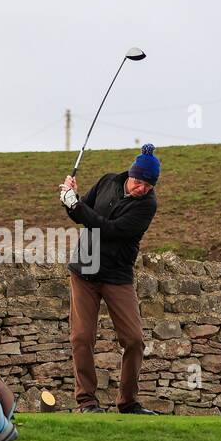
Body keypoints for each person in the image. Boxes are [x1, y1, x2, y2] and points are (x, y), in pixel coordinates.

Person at [58, 143, 160, 414]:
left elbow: (109, 229)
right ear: (131, 175)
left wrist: (76, 205)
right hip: (84, 271)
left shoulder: (147, 206)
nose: (142, 189)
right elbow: (79, 214)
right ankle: (87, 401)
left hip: (117, 276)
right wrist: (70, 197)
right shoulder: (107, 181)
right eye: (139, 183)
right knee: (81, 337)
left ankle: (128, 402)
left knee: (134, 339)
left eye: (148, 186)